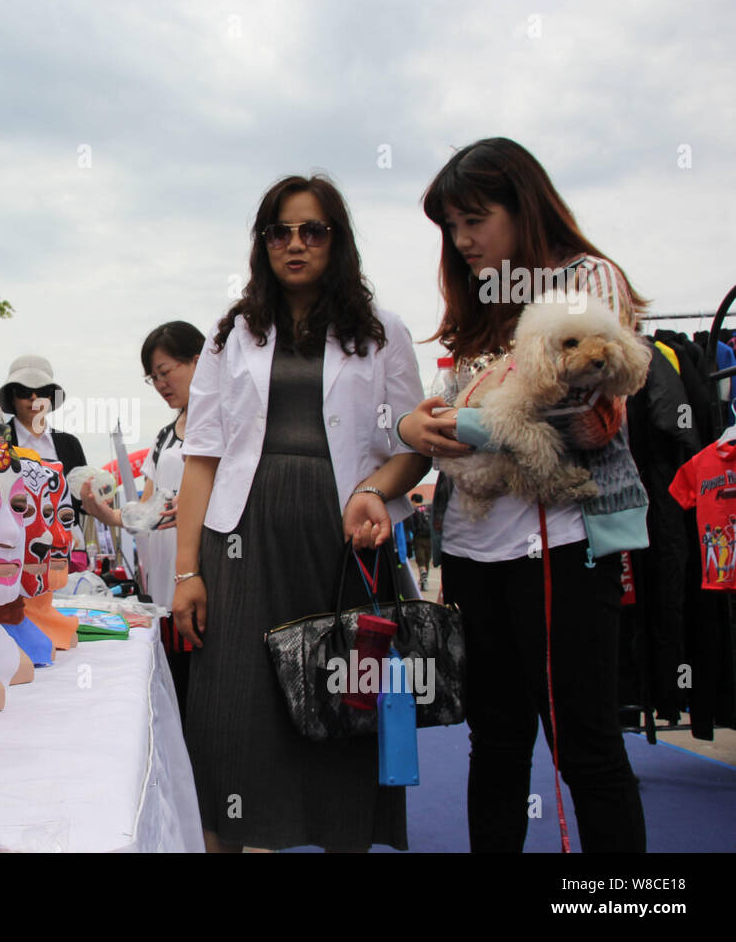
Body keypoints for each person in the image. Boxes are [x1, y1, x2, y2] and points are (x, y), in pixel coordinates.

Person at [399, 136, 648, 853]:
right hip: (475, 548)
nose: (462, 239)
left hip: (564, 545)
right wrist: (421, 422)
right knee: (497, 741)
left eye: (474, 218)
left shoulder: (587, 279)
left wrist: (453, 424)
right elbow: (444, 409)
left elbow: (586, 410)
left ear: (523, 205)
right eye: (451, 225)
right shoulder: (478, 308)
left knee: (587, 744)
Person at [172, 174, 428, 852]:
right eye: (279, 231)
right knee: (231, 715)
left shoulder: (383, 332)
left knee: (341, 704)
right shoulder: (230, 335)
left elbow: (414, 447)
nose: (294, 244)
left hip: (344, 539)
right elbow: (201, 456)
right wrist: (185, 573)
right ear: (262, 244)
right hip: (240, 541)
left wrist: (374, 491)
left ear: (336, 241)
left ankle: (340, 837)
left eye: (311, 230)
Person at [80, 320, 204, 717]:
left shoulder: (223, 427)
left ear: (199, 362)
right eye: (152, 378)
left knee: (207, 688)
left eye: (166, 372)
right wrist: (105, 514)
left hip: (206, 577)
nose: (160, 385)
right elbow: (147, 512)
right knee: (179, 693)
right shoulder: (166, 437)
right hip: (166, 585)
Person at [0, 354, 87, 520]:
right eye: (24, 391)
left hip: (67, 540)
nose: (34, 398)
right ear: (12, 395)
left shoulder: (70, 444)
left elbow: (82, 500)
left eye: (42, 391)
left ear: (50, 396)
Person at [408, 492, 433, 589]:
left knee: (420, 559)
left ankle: (423, 576)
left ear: (413, 501)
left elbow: (410, 524)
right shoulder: (429, 509)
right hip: (429, 537)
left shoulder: (413, 511)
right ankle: (425, 580)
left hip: (418, 537)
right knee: (427, 559)